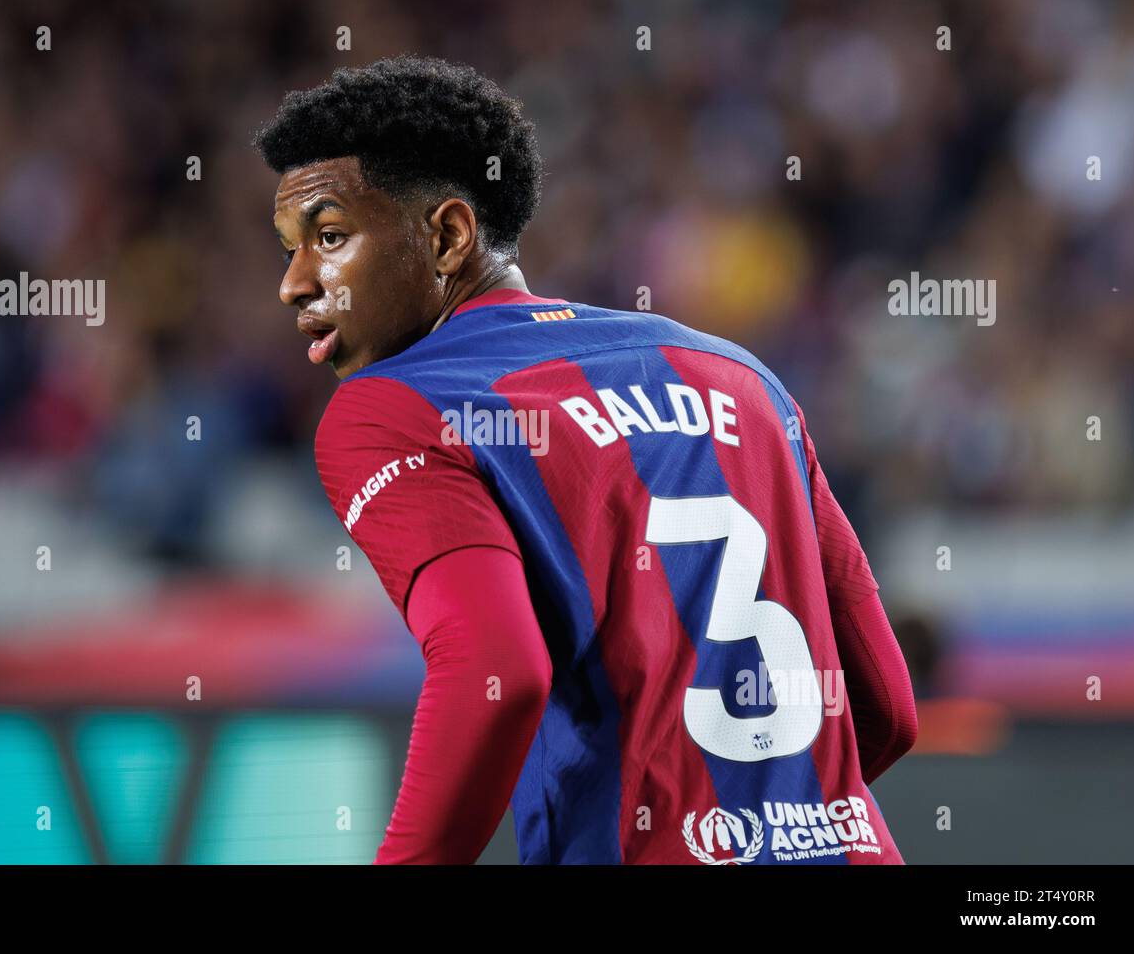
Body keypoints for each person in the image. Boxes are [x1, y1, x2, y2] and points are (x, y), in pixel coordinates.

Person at [255, 55, 917, 864]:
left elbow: (494, 671)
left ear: (448, 235)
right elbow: (884, 705)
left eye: (328, 238)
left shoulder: (394, 407)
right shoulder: (742, 378)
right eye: (288, 248)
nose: (293, 283)